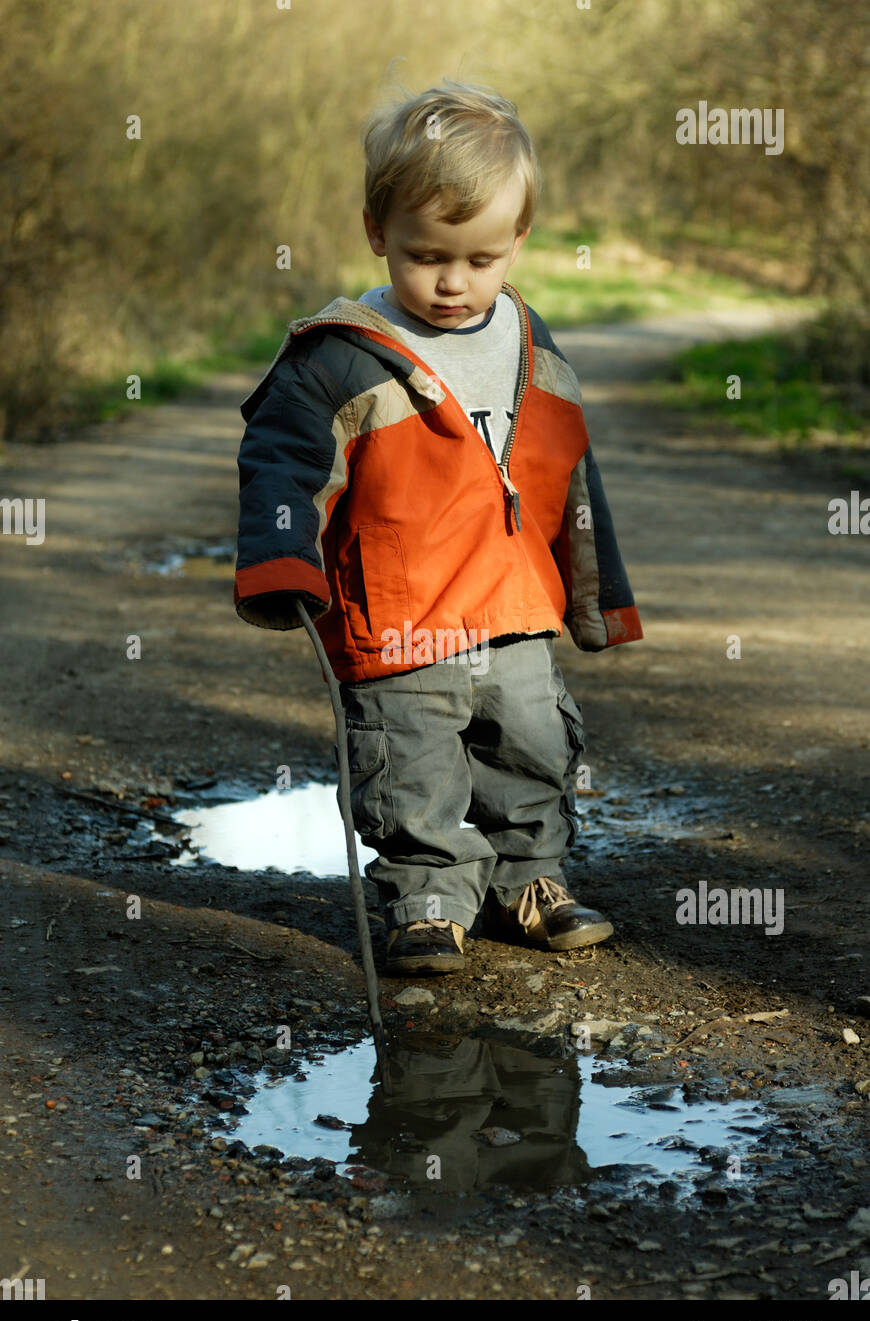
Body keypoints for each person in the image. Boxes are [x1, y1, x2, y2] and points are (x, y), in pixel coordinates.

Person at [233, 80, 642, 976]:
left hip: (515, 607)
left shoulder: (534, 342)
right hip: (401, 619)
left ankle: (532, 880)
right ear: (377, 231)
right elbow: (281, 461)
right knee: (410, 768)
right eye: (427, 257)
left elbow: (572, 473)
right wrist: (277, 555)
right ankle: (427, 896)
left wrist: (597, 595)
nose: (455, 282)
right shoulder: (340, 355)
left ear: (519, 241)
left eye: (483, 259)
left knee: (534, 749)